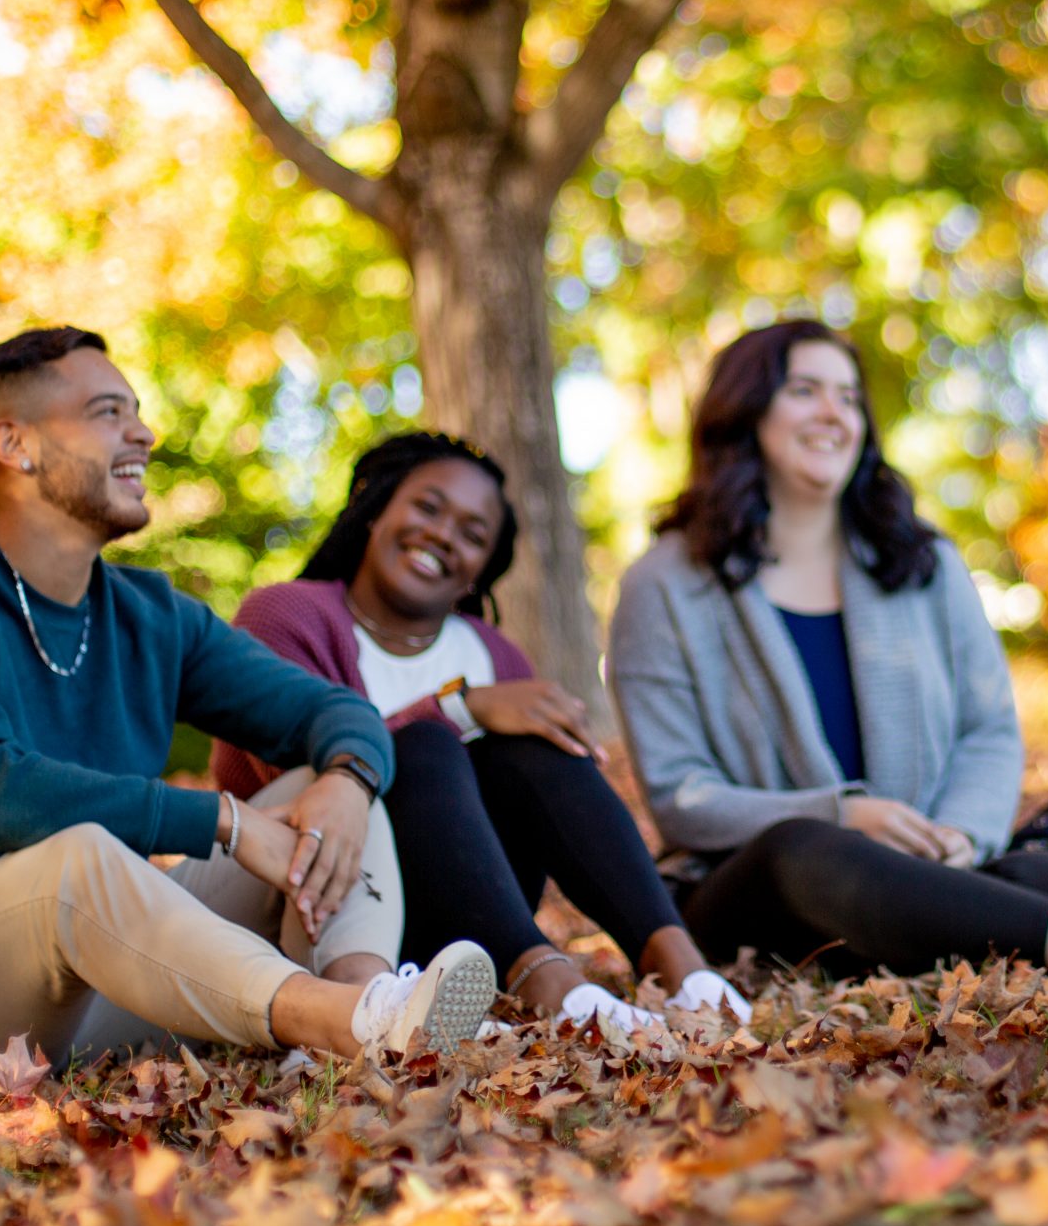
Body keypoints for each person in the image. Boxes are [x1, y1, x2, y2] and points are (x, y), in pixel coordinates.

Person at [0, 327, 495, 1085]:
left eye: (136, 410)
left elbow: (337, 712)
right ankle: (334, 1020)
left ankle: (375, 1006)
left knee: (324, 788)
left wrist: (349, 779)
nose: (144, 431)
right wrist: (225, 821)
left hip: (85, 986)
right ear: (14, 443)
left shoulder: (151, 614)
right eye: (108, 411)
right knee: (78, 857)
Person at [607, 319, 1048, 978]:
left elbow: (986, 728)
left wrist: (957, 833)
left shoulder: (922, 563)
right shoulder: (664, 583)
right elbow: (680, 793)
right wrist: (842, 813)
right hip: (751, 884)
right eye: (805, 390)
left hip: (917, 869)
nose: (833, 413)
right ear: (745, 407)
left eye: (848, 396)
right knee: (807, 847)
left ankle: (932, 930)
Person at [210, 432, 748, 1033]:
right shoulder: (287, 614)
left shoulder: (494, 653)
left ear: (479, 572)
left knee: (533, 746)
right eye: (427, 507)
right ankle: (546, 979)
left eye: (473, 535)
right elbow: (296, 778)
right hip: (325, 902)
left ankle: (682, 968)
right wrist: (459, 706)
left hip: (470, 914)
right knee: (426, 744)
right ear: (374, 512)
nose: (443, 535)